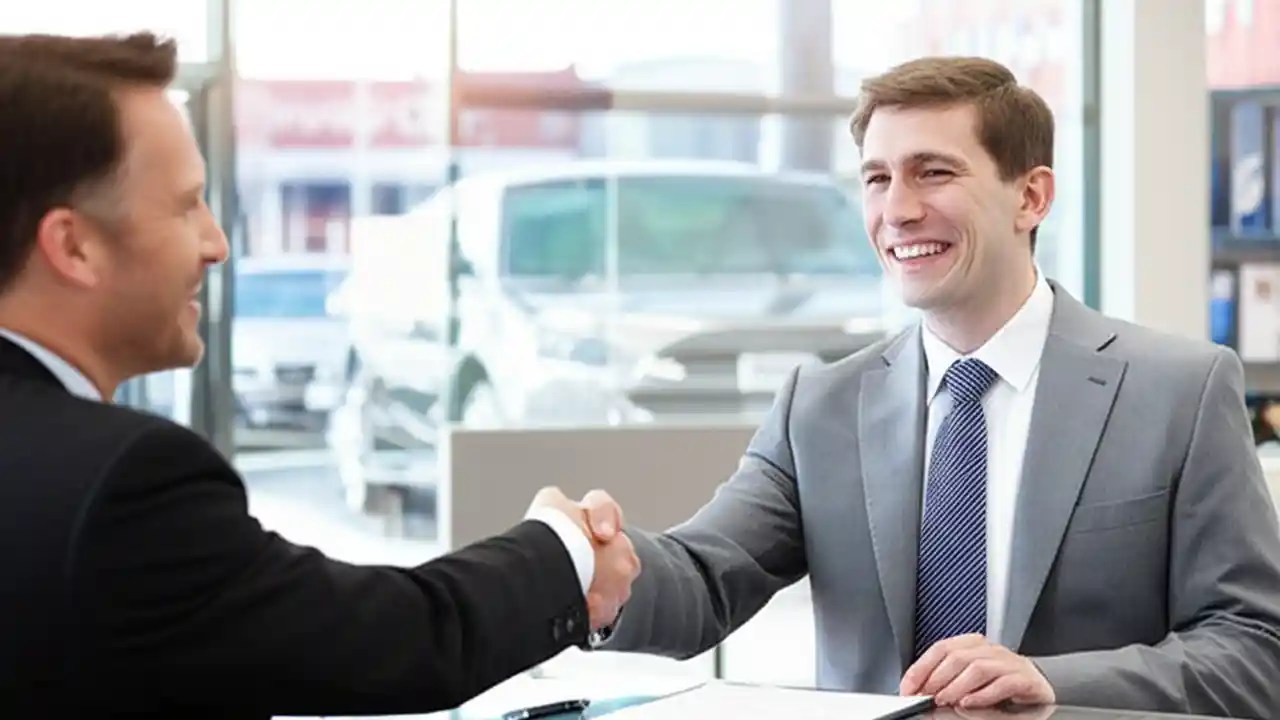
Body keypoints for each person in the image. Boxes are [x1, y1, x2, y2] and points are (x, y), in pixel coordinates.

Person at [547, 56, 1280, 717]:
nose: (896, 210)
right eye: (876, 178)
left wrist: (1056, 682)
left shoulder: (1178, 391)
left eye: (933, 172)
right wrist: (597, 570)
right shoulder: (822, 407)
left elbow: (1255, 652)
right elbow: (705, 579)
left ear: (1031, 197)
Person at [0, 32, 638, 717]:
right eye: (186, 206)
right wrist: (564, 551)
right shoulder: (122, 484)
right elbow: (389, 640)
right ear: (73, 245)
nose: (216, 245)